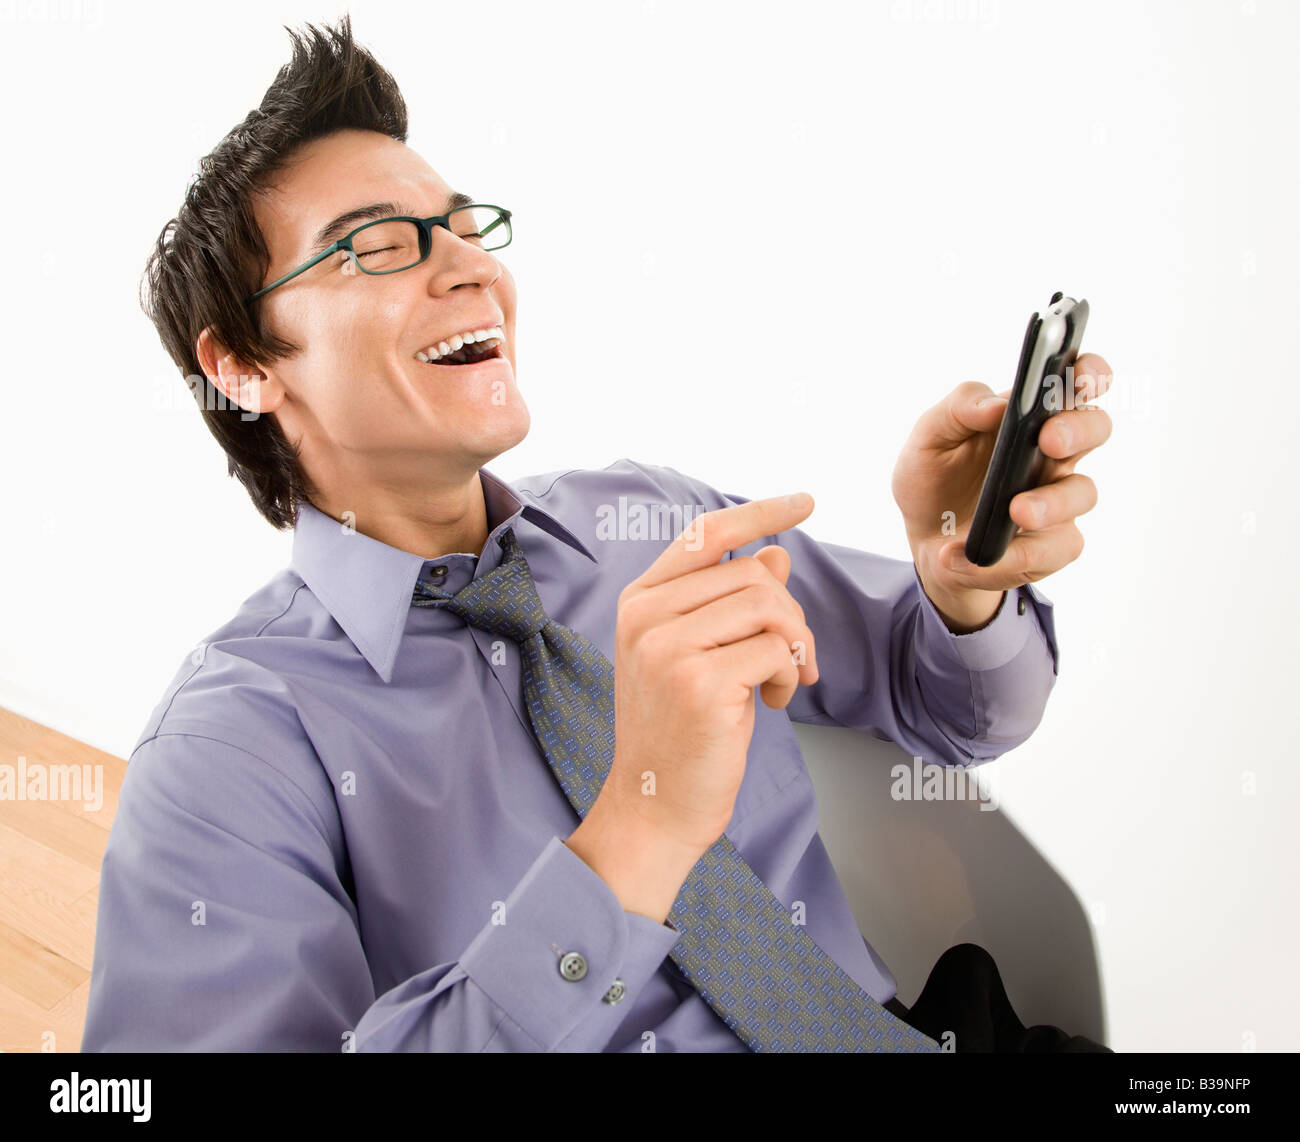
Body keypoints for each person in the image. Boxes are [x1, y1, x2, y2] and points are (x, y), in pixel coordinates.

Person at [82, 15, 1114, 1053]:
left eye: (462, 228)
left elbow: (957, 710)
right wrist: (638, 827)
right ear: (244, 366)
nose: (467, 269)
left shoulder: (650, 521)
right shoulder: (227, 750)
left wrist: (964, 576)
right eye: (379, 245)